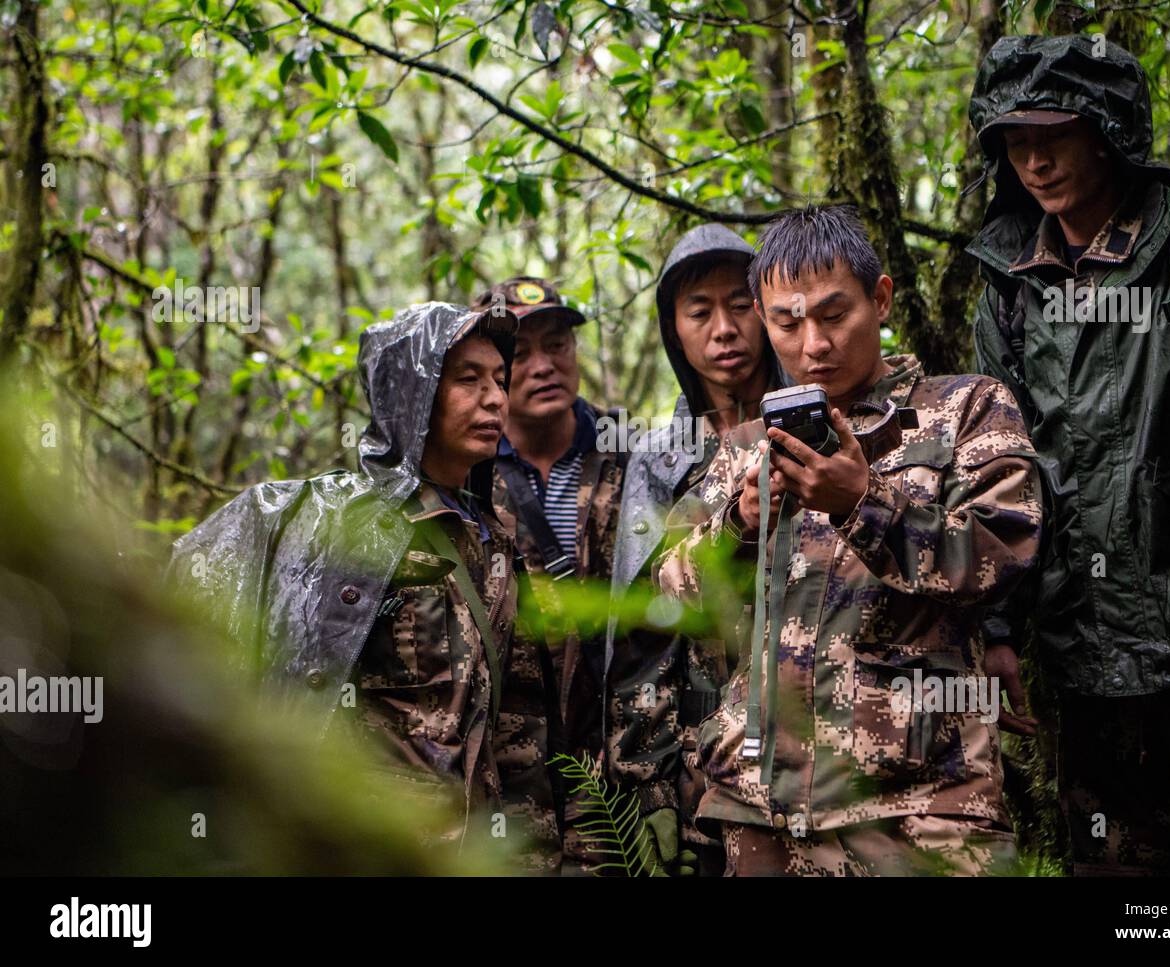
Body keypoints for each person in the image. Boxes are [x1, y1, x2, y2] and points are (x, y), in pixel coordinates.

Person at [967, 34, 1170, 876]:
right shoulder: (1008, 288)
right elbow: (1001, 470)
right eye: (1015, 140)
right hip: (1086, 662)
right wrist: (999, 624)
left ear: (1107, 130)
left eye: (1055, 134)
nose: (1035, 160)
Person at [654, 205, 1042, 875]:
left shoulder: (966, 409)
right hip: (761, 811)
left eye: (834, 316)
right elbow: (672, 594)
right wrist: (740, 524)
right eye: (787, 322)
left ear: (881, 298)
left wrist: (864, 505)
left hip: (922, 806)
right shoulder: (744, 448)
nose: (813, 344)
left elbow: (1003, 555)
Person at [172, 302, 559, 863]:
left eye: (500, 379)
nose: (497, 398)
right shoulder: (328, 522)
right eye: (468, 380)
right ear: (412, 394)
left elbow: (518, 728)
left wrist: (532, 856)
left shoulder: (493, 542)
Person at [605, 224, 784, 876]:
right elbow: (642, 631)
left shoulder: (819, 421)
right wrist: (646, 782)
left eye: (740, 303)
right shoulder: (660, 458)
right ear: (673, 329)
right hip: (705, 757)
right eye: (699, 311)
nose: (725, 328)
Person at [473, 277, 623, 873]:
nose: (542, 366)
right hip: (508, 777)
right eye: (519, 354)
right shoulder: (465, 472)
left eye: (557, 344)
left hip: (618, 767)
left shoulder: (634, 457)